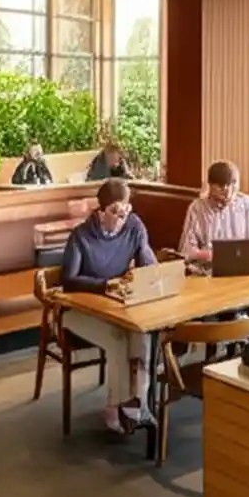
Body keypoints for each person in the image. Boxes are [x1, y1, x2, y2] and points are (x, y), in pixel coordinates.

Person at [59, 178, 157, 434]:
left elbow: (147, 261)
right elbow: (68, 280)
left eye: (126, 211)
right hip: (78, 311)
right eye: (115, 212)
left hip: (116, 308)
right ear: (100, 211)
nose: (121, 218)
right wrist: (105, 285)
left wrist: (151, 275)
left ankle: (139, 401)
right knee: (118, 340)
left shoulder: (134, 227)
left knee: (142, 334)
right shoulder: (81, 236)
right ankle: (115, 404)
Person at [178, 160, 249, 262]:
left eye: (232, 185)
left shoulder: (246, 204)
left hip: (242, 265)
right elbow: (186, 249)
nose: (228, 191)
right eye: (221, 187)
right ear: (210, 185)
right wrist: (209, 256)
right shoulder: (197, 208)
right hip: (209, 267)